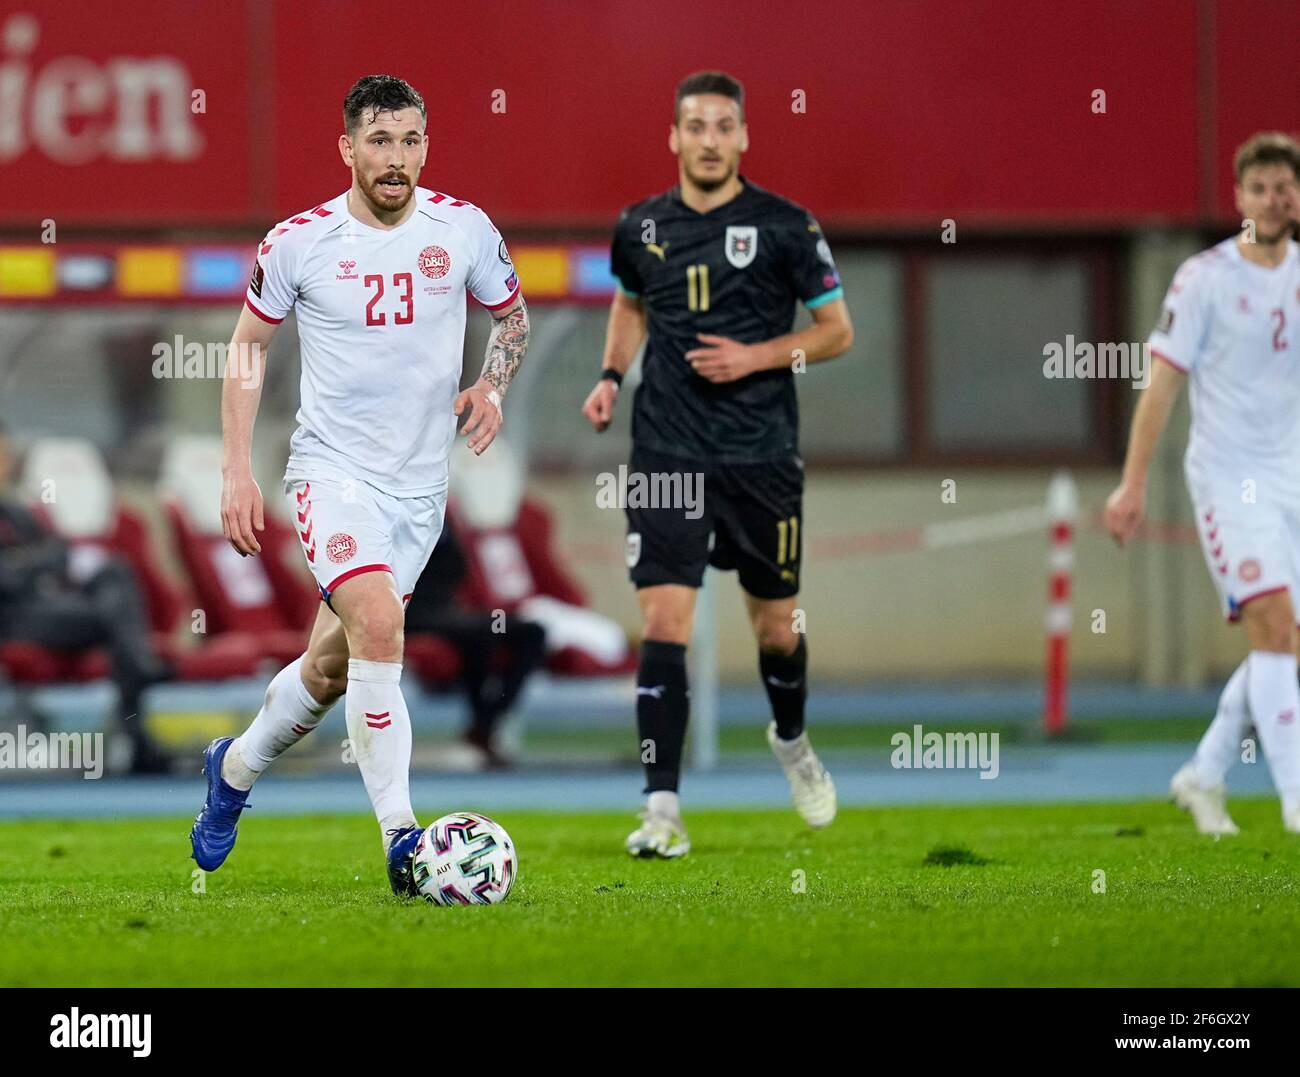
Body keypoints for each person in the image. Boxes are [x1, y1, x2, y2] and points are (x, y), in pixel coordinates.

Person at [189, 74, 530, 896]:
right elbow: (246, 349)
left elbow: (513, 318)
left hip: (419, 493)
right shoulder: (299, 243)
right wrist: (235, 468)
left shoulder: (466, 230)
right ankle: (404, 843)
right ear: (347, 148)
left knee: (332, 666)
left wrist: (492, 385)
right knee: (379, 623)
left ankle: (232, 768)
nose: (396, 159)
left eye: (411, 140)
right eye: (379, 141)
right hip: (332, 476)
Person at [581, 71, 855, 858]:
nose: (708, 139)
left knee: (776, 628)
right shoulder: (639, 225)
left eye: (722, 126)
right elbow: (630, 301)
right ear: (673, 137)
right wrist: (608, 377)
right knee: (664, 620)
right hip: (667, 448)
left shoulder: (786, 227)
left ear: (743, 138)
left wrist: (758, 356)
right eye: (694, 126)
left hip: (760, 454)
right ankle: (661, 808)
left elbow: (836, 330)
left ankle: (792, 739)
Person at [1105, 132, 1300, 834]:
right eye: (1261, 188)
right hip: (1228, 477)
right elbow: (1160, 387)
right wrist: (1132, 486)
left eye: (1286, 187)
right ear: (1240, 197)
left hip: (1293, 477)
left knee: (1284, 640)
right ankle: (1295, 800)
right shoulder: (1204, 278)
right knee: (1275, 623)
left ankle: (1203, 774)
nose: (1274, 199)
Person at [0, 422, 172, 773]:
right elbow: (8, 581)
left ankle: (136, 686)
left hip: (42, 604)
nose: (6, 464)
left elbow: (59, 551)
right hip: (13, 618)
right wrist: (34, 563)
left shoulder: (14, 511)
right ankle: (137, 721)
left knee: (116, 573)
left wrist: (27, 562)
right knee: (112, 619)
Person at [404, 523, 546, 769]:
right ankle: (481, 728)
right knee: (481, 634)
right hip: (408, 613)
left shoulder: (441, 515)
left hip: (446, 610)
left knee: (532, 632)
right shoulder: (391, 507)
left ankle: (486, 722)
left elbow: (456, 567)